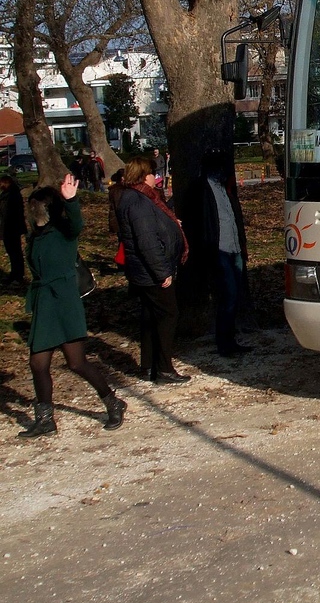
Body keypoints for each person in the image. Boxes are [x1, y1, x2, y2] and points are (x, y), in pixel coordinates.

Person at [18, 173, 126, 437]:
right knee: (37, 363)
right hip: (45, 305)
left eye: (37, 207)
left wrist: (71, 200)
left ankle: (112, 401)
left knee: (77, 363)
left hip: (65, 304)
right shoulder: (34, 238)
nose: (33, 212)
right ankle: (45, 419)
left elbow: (76, 222)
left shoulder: (65, 232)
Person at [115, 154, 191, 384]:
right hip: (151, 271)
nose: (155, 177)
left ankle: (148, 365)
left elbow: (153, 227)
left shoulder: (140, 197)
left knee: (150, 316)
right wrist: (162, 273)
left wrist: (171, 225)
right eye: (152, 173)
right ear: (143, 175)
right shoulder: (137, 201)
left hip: (146, 269)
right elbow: (146, 240)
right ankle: (164, 368)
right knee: (168, 314)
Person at [183, 148, 251, 357]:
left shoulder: (225, 188)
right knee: (228, 294)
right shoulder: (202, 189)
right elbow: (198, 221)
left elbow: (234, 218)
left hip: (234, 246)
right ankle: (224, 343)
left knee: (235, 294)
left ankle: (230, 339)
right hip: (218, 248)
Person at [0, 170, 27, 285]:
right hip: (8, 227)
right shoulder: (7, 195)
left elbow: (12, 214)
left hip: (11, 228)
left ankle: (18, 275)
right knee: (12, 252)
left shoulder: (12, 196)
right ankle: (14, 274)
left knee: (15, 252)